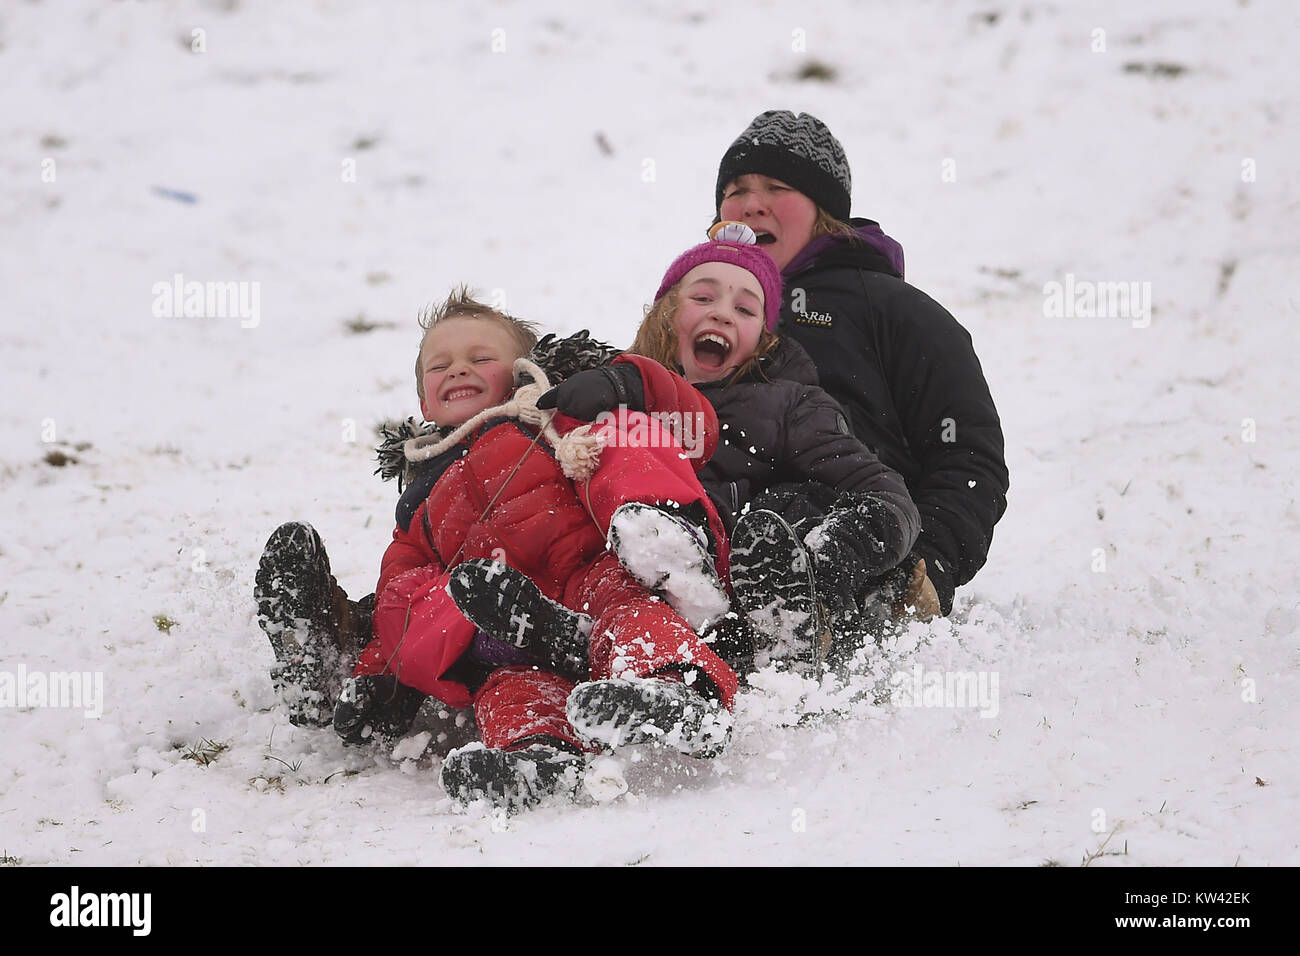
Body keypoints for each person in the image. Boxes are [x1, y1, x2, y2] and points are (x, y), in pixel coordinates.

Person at [260, 288, 740, 812]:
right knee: (507, 683)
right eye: (439, 365)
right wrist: (379, 674)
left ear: (523, 373)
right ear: (423, 401)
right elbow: (400, 590)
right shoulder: (424, 493)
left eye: (480, 358)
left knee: (630, 611)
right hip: (508, 622)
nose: (458, 370)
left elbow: (692, 430)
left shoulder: (555, 422)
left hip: (590, 574)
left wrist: (628, 381)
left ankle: (676, 694)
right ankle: (538, 758)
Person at [455, 226, 921, 676]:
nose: (721, 313)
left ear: (763, 337)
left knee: (780, 511)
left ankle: (787, 617)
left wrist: (824, 561)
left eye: (746, 308)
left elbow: (884, 496)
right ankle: (577, 637)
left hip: (750, 571)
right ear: (667, 315)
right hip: (645, 583)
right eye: (702, 297)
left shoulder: (790, 403)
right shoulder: (616, 397)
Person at [711, 110, 1009, 623]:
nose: (751, 203)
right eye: (736, 188)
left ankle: (796, 614)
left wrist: (930, 565)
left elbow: (968, 455)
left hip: (846, 542)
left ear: (823, 209)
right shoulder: (695, 311)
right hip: (711, 533)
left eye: (776, 186)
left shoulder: (895, 311)